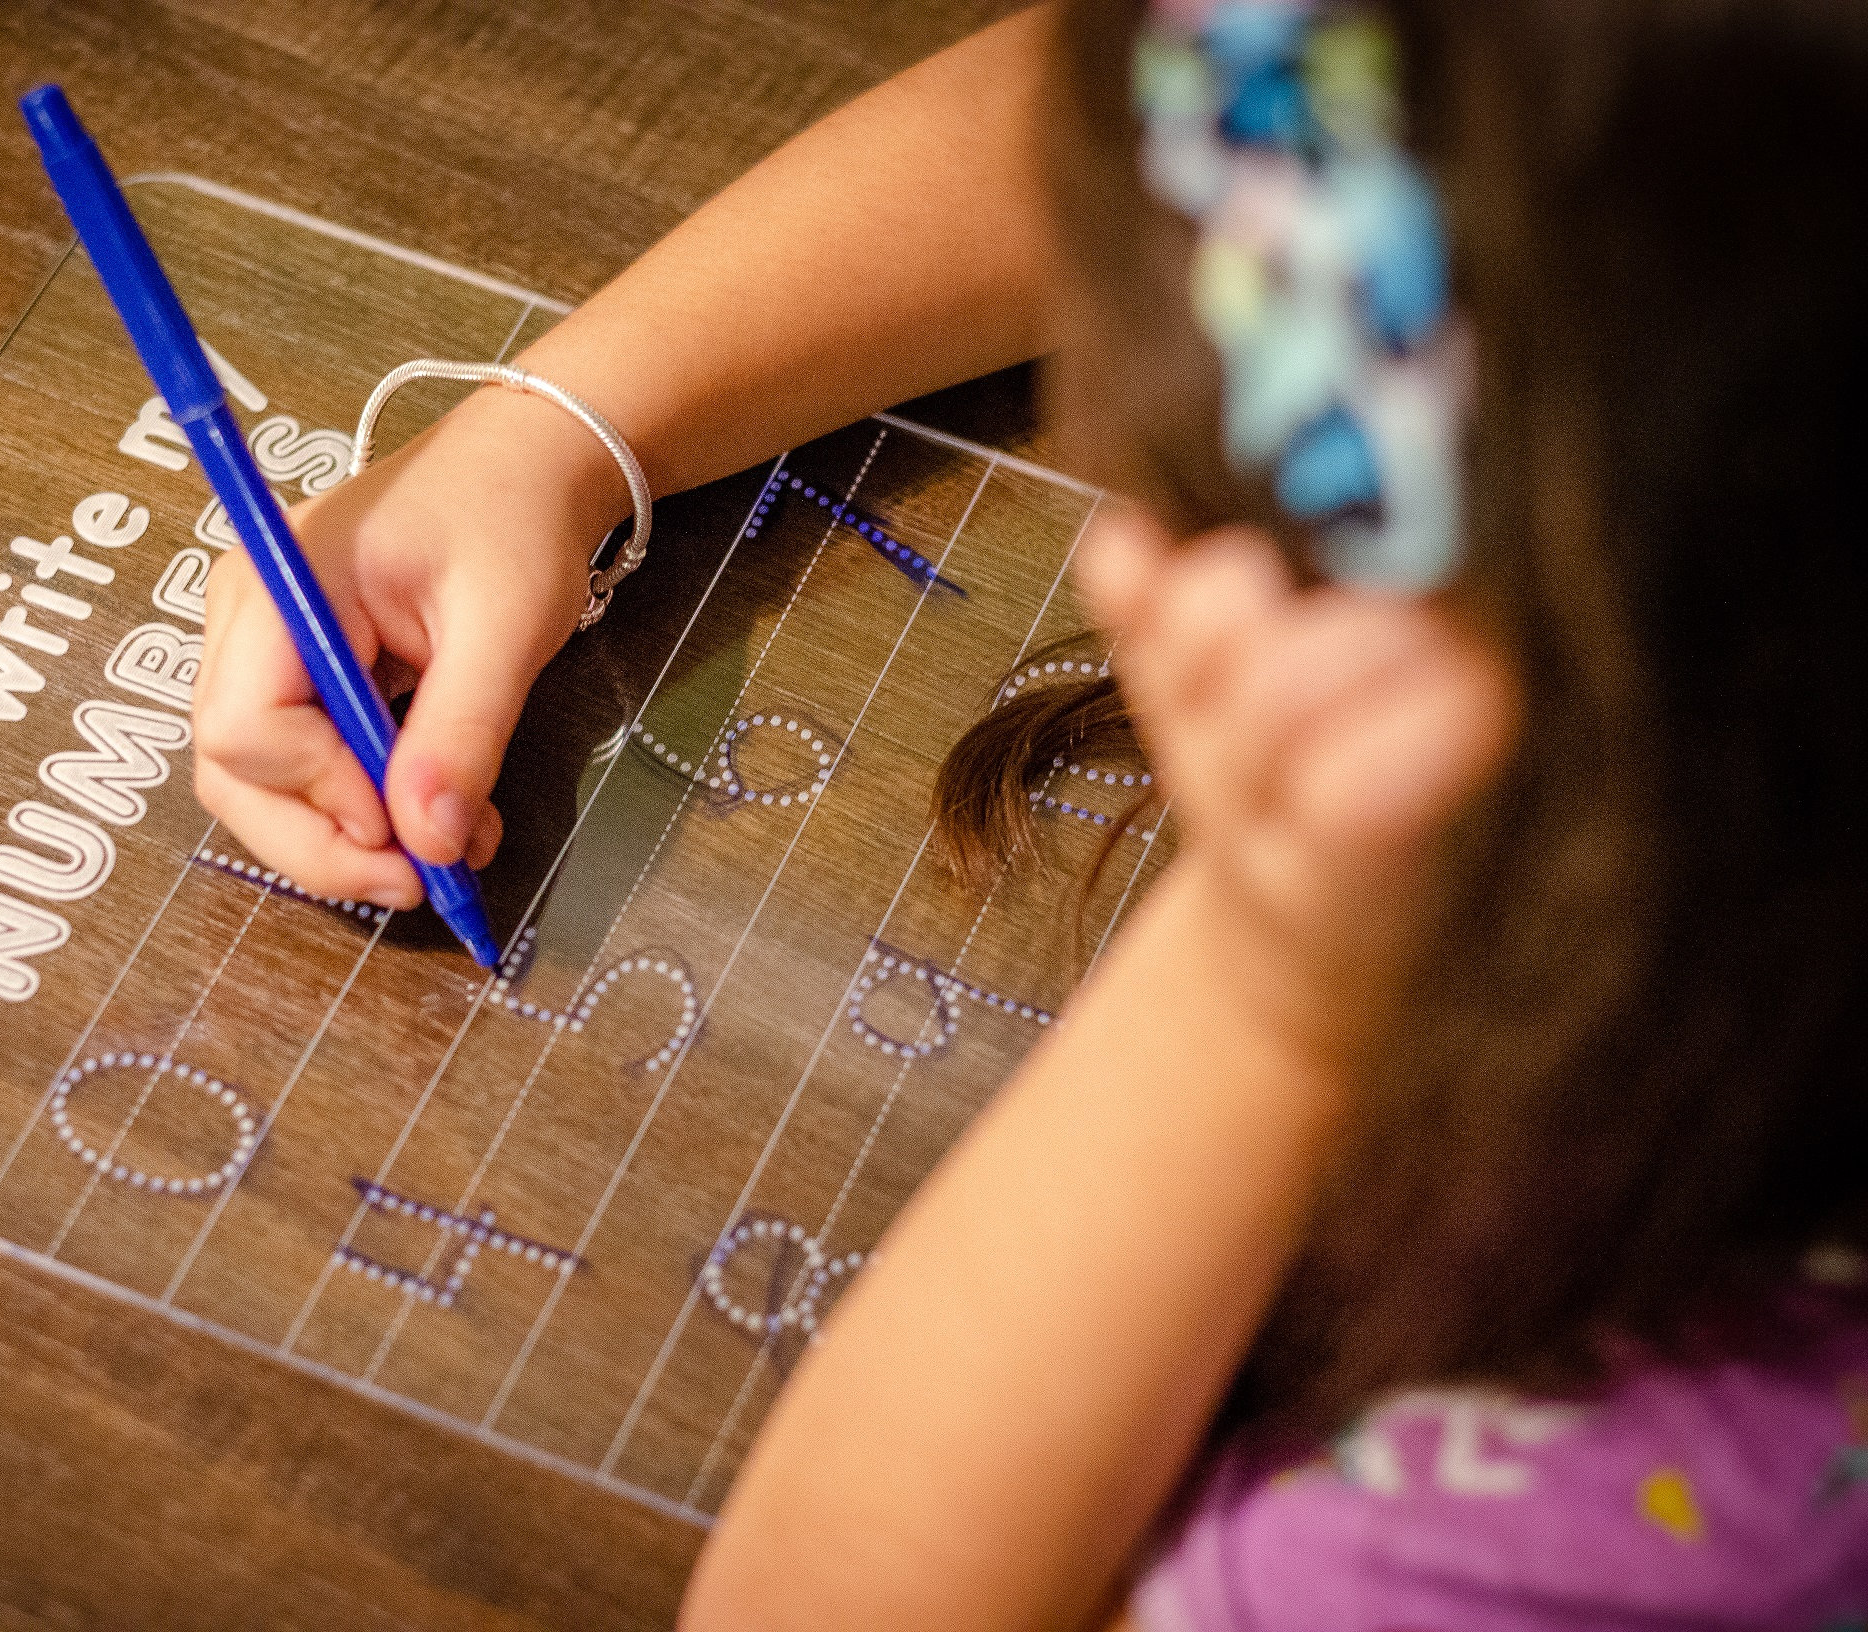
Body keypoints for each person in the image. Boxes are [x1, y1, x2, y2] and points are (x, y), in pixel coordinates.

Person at [190, 0, 1868, 1624]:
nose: (1120, 542)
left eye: (1243, 485)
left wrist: (1272, 981)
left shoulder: (1681, 1502)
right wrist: (558, 434)